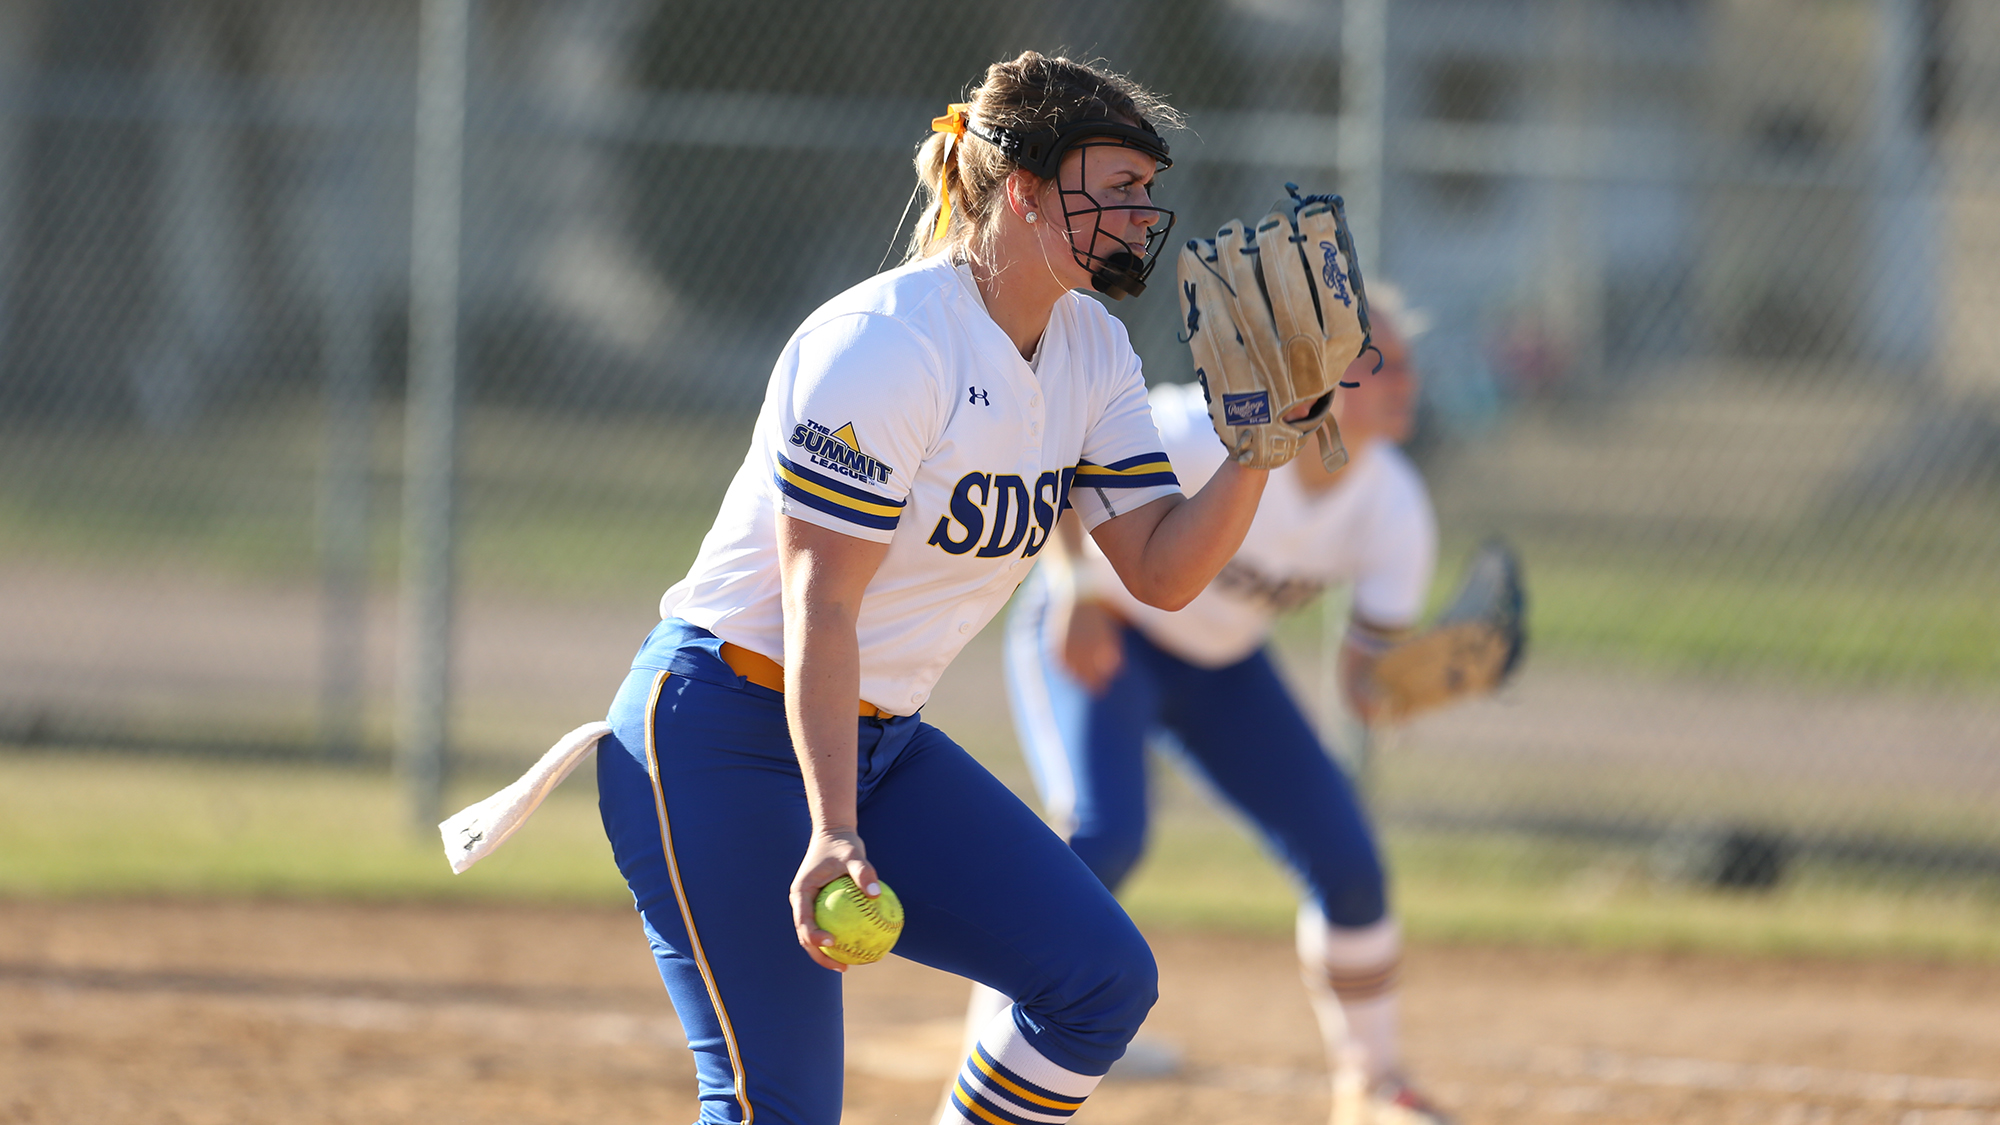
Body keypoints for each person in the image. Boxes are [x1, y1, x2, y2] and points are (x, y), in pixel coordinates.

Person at [594, 51, 1297, 1125]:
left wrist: (1254, 450)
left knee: (1099, 981)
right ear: (1020, 191)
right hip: (720, 732)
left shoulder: (1090, 350)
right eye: (1110, 188)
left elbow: (1158, 571)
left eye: (1143, 194)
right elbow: (816, 605)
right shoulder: (885, 344)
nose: (1135, 215)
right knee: (774, 1108)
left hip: (880, 740)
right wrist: (832, 829)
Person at [993, 294, 1457, 1125]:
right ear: (1314, 379)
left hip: (1221, 663)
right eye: (1375, 362)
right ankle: (1002, 1040)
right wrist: (1078, 587)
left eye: (1407, 361)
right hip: (1110, 625)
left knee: (1347, 861)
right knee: (1104, 834)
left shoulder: (1395, 507)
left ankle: (1373, 1081)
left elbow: (1364, 675)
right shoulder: (1206, 435)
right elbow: (1071, 471)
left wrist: (1406, 688)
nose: (1404, 380)